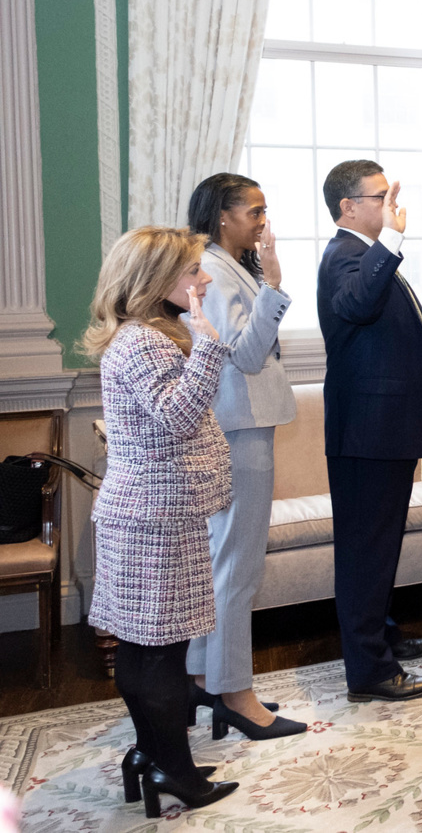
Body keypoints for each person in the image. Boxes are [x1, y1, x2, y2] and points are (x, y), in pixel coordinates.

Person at [80, 226, 239, 815]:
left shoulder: (136, 337)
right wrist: (208, 345)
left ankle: (154, 756)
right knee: (162, 652)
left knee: (143, 650)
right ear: (154, 280)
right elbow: (177, 416)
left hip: (144, 511)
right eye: (193, 271)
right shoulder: (145, 343)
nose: (202, 280)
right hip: (155, 514)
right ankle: (176, 772)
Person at [317, 160, 422, 702]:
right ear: (349, 207)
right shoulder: (345, 255)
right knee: (365, 551)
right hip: (367, 434)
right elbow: (356, 303)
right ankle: (370, 671)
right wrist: (392, 238)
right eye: (380, 197)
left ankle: (382, 638)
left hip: (383, 431)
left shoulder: (362, 254)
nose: (391, 207)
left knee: (378, 546)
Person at [182, 174, 306, 741]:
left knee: (223, 560)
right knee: (238, 565)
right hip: (240, 427)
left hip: (237, 424)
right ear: (222, 217)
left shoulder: (224, 266)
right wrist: (276, 286)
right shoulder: (213, 269)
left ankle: (205, 677)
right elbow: (249, 354)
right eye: (253, 211)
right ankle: (235, 692)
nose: (263, 221)